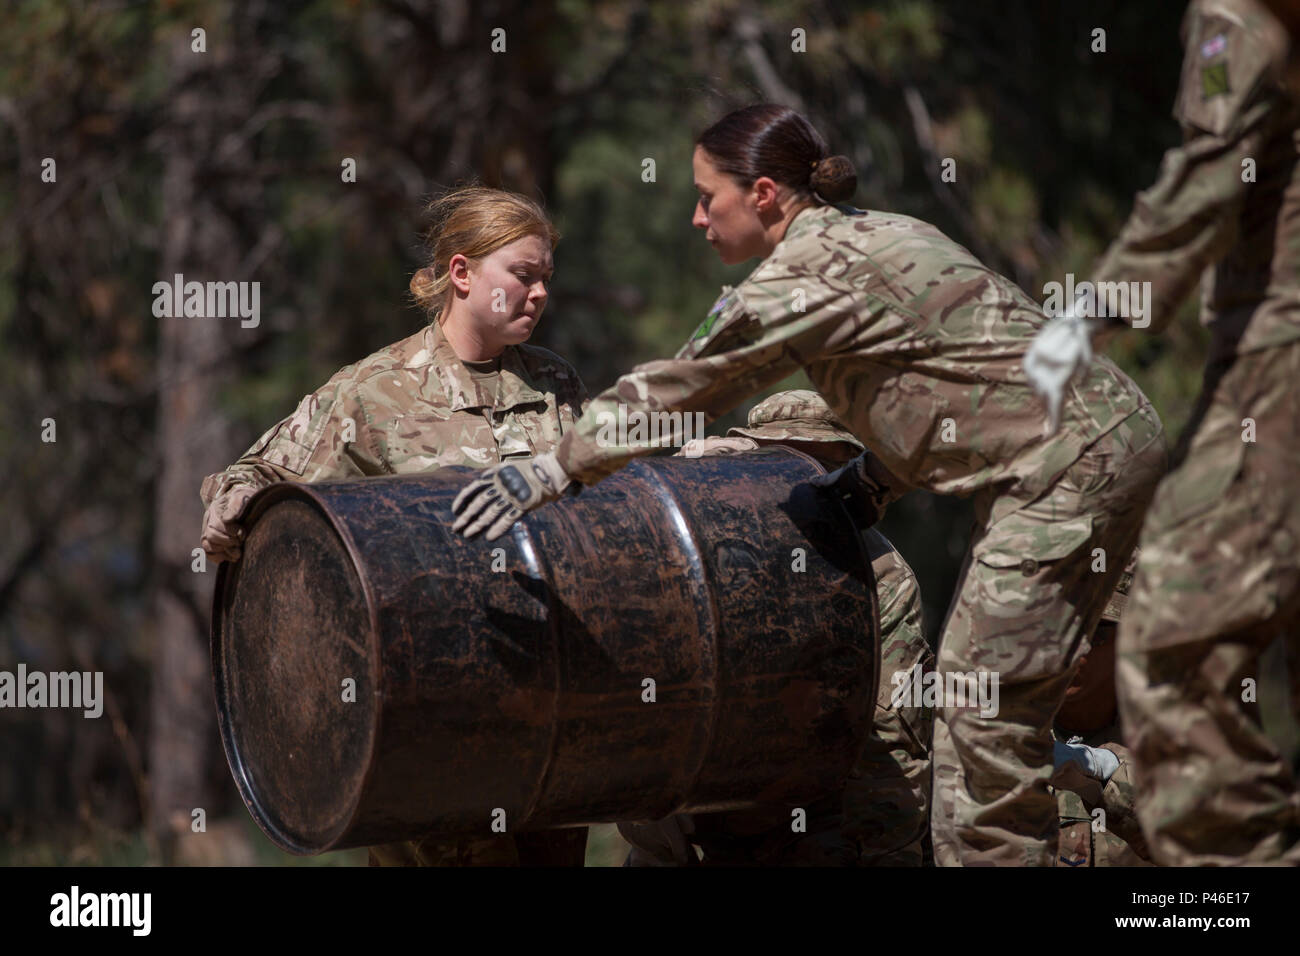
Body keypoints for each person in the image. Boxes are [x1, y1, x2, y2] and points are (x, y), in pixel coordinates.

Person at [452, 104, 1167, 866]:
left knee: (976, 727)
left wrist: (554, 467)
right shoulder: (883, 232)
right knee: (994, 710)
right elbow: (960, 388)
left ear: (762, 195)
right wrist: (875, 479)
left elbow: (679, 388)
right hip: (1109, 437)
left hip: (1068, 466)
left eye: (706, 197)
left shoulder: (803, 278)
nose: (697, 218)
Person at [198, 185, 591, 867]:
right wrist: (230, 510)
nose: (538, 295)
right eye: (522, 276)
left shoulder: (555, 383)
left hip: (546, 707)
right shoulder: (374, 390)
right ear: (462, 274)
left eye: (545, 279)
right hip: (426, 715)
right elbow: (253, 478)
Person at [1025, 0, 1300, 865]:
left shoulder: (1233, 17)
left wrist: (1086, 317)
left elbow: (1208, 176)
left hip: (1277, 359)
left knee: (1172, 643)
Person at [620, 390, 933, 866]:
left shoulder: (879, 572)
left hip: (808, 834)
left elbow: (888, 743)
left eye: (817, 474)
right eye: (782, 467)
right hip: (684, 827)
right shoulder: (691, 545)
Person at [1051, 554, 1153, 867]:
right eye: (1060, 623)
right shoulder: (985, 729)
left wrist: (1109, 774)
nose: (1073, 645)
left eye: (1095, 629)